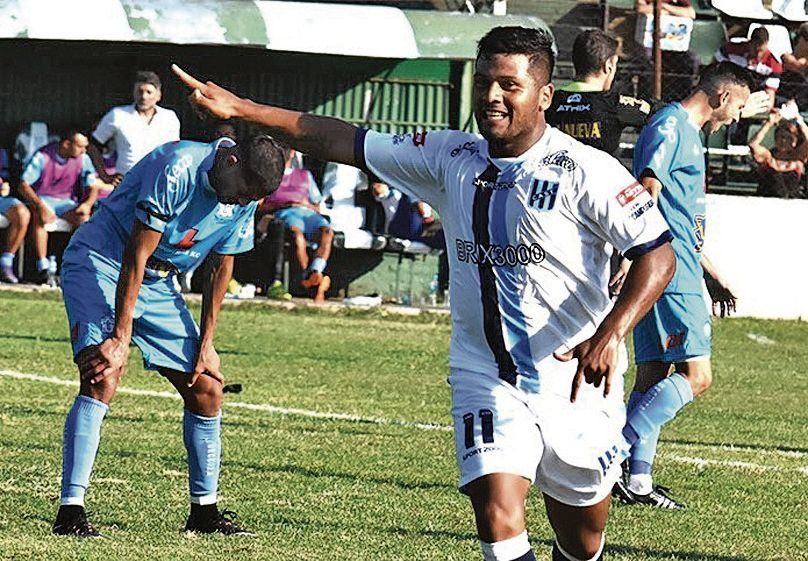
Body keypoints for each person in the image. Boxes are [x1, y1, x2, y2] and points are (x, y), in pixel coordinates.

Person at [173, 24, 677, 561]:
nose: (491, 96)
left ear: (544, 95)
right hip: (485, 375)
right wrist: (242, 109)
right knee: (497, 510)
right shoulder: (447, 155)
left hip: (575, 380)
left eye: (509, 85)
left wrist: (611, 332)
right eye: (484, 82)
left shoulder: (588, 172)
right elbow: (340, 138)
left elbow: (658, 254)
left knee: (583, 540)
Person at [51, 134, 285, 537]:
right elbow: (136, 254)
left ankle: (204, 514)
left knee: (208, 386)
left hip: (160, 282)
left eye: (254, 196)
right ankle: (70, 512)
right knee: (102, 374)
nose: (245, 201)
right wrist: (120, 338)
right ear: (229, 160)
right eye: (245, 191)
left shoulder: (245, 195)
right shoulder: (177, 167)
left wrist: (207, 345)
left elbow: (220, 267)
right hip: (104, 261)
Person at [611, 62, 750, 510]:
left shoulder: (689, 133)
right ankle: (609, 456)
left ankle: (638, 480)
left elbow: (682, 219)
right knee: (698, 376)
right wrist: (633, 252)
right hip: (670, 272)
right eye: (740, 106)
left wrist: (711, 273)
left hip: (678, 267)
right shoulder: (670, 124)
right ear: (723, 96)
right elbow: (646, 190)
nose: (738, 117)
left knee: (654, 374)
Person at [547, 29, 653, 156]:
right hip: (599, 175)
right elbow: (663, 114)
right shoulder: (614, 104)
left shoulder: (549, 101)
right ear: (609, 65)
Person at [18, 128, 100, 284]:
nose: (84, 151)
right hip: (42, 199)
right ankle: (42, 267)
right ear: (66, 144)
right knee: (39, 216)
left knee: (83, 218)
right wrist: (40, 205)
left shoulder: (83, 159)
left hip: (65, 203)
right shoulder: (43, 156)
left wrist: (87, 204)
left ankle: (73, 265)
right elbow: (23, 185)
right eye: (80, 147)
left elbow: (93, 186)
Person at [256, 145, 332, 303]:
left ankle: (315, 272)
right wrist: (284, 204)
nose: (287, 152)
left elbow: (317, 205)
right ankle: (307, 277)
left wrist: (304, 205)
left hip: (308, 213)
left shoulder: (305, 175)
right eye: (283, 148)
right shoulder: (271, 175)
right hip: (286, 212)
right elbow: (260, 205)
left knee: (326, 232)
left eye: (289, 149)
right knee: (297, 236)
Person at [88, 70, 181, 184]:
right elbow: (93, 145)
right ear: (134, 93)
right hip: (127, 183)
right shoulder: (118, 115)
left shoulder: (169, 118)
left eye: (149, 92)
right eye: (139, 91)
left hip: (159, 183)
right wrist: (104, 176)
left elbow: (175, 151)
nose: (143, 97)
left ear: (158, 95)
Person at [748, 111, 808, 198]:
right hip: (766, 201)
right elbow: (753, 144)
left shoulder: (799, 157)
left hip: (793, 203)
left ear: (796, 141)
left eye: (789, 138)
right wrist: (769, 123)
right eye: (781, 137)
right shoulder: (768, 157)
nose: (784, 141)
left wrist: (799, 120)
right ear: (775, 138)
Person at [0, 149, 30, 283]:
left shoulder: (2, 153)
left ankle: (6, 263)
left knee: (21, 213)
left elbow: (7, 179)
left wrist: (5, 184)